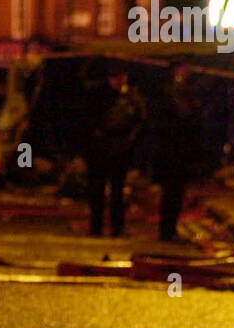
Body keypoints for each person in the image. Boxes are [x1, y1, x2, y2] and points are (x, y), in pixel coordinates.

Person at [85, 60, 147, 238]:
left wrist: (132, 145)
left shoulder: (132, 98)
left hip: (121, 150)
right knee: (97, 191)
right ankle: (96, 228)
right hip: (100, 150)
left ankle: (117, 228)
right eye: (113, 77)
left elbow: (141, 123)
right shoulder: (100, 97)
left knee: (117, 192)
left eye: (119, 77)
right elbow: (89, 122)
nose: (116, 81)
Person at [153, 60, 202, 243]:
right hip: (170, 151)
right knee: (170, 193)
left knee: (177, 193)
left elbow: (194, 119)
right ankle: (166, 230)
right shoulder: (167, 94)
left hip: (182, 151)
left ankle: (171, 229)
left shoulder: (189, 93)